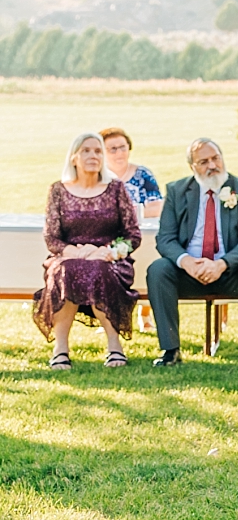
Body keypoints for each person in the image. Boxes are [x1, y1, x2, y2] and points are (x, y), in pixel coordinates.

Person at [147, 138, 238, 367]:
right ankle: (170, 350)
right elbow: (165, 239)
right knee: (158, 269)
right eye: (204, 161)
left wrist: (222, 264)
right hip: (189, 273)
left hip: (233, 272)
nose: (212, 166)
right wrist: (187, 262)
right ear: (193, 167)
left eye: (216, 158)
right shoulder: (177, 191)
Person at [33, 133, 141, 369]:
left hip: (110, 260)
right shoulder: (58, 190)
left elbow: (133, 234)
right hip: (68, 257)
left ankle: (114, 346)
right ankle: (60, 348)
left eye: (98, 151)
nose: (93, 156)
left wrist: (108, 252)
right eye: (86, 151)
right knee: (66, 271)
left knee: (99, 269)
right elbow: (51, 237)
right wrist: (75, 252)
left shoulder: (116, 189)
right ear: (74, 158)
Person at [99, 127, 163, 219]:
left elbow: (157, 207)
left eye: (123, 147)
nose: (119, 153)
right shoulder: (95, 177)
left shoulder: (143, 174)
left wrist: (127, 216)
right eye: (113, 149)